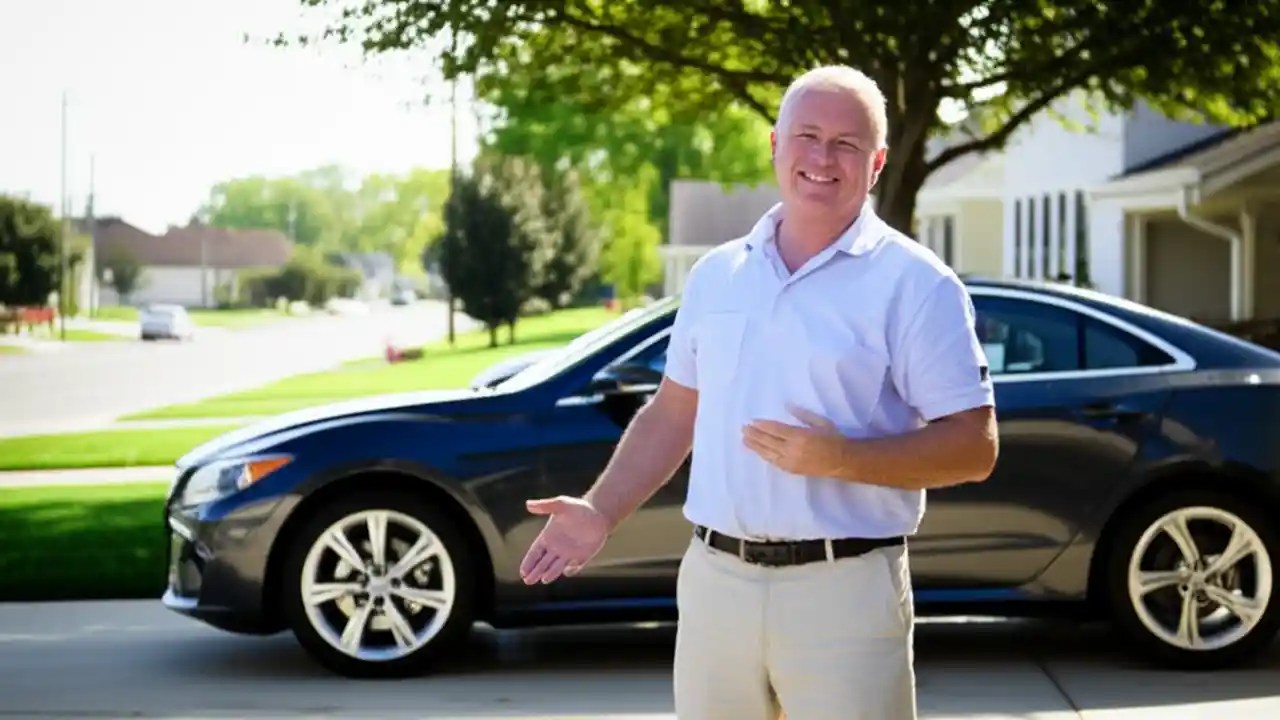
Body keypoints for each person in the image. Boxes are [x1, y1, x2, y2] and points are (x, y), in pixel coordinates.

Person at [518, 65, 1000, 720]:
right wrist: (601, 511)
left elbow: (974, 446)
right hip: (717, 585)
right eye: (807, 136)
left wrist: (841, 459)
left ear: (878, 162)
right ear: (775, 144)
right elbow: (673, 413)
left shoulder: (917, 284)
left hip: (846, 591)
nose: (822, 159)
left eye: (846, 144)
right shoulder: (718, 274)